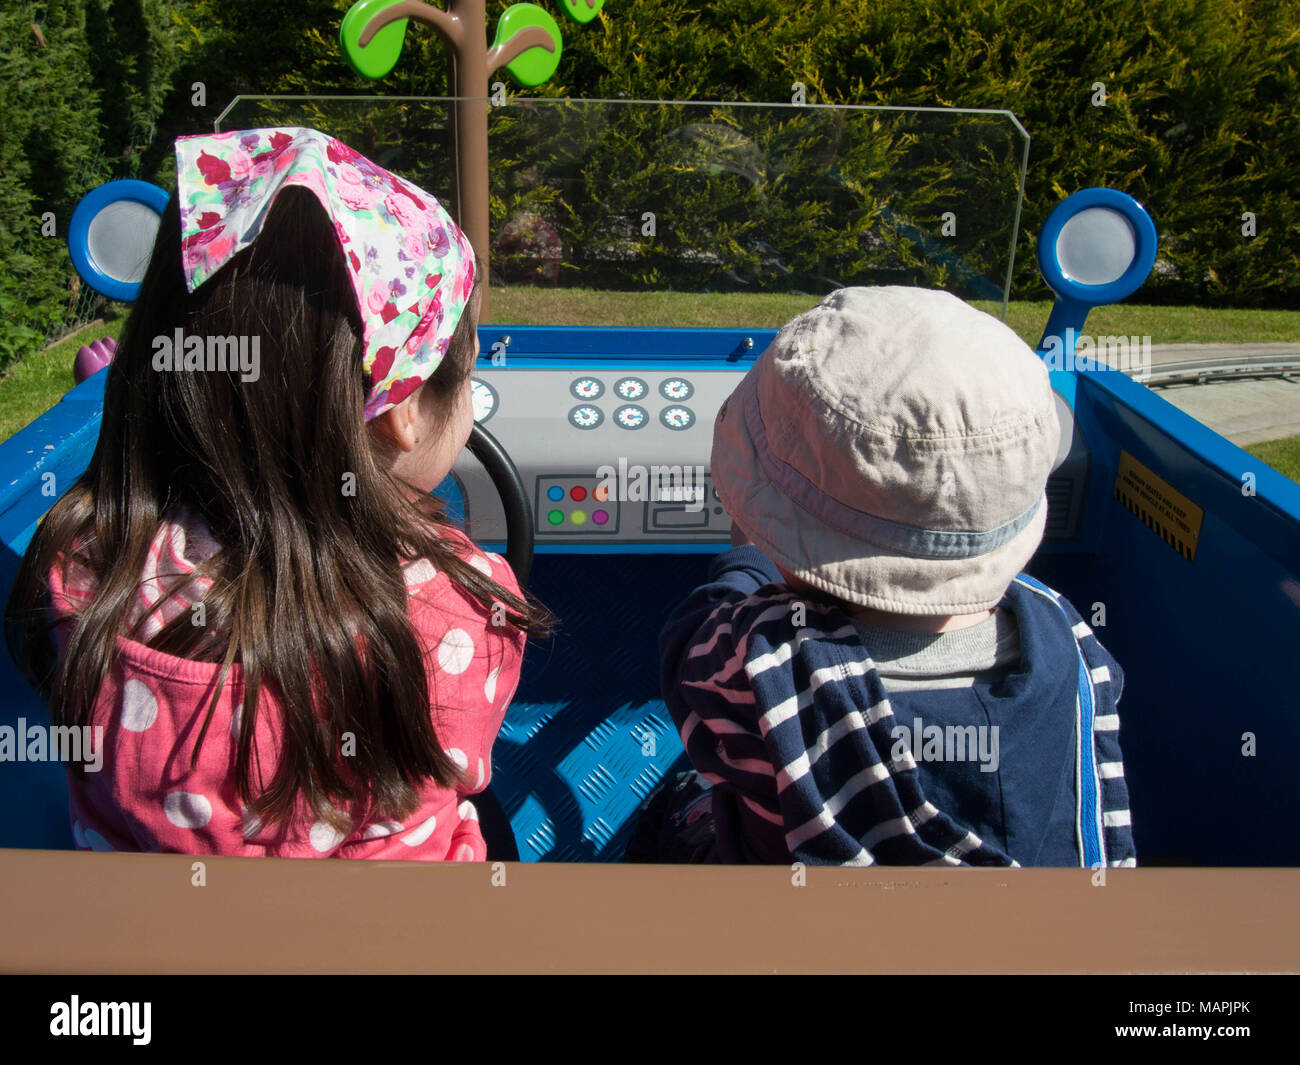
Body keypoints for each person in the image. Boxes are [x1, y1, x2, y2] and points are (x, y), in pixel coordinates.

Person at [6, 127, 550, 860]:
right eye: (471, 355)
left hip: (147, 937)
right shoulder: (466, 611)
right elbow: (462, 765)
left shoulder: (81, 571)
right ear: (403, 411)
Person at [634, 286, 1135, 867]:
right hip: (1007, 944)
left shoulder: (765, 662)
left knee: (679, 810)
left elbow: (687, 648)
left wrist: (752, 540)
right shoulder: (1068, 637)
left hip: (782, 939)